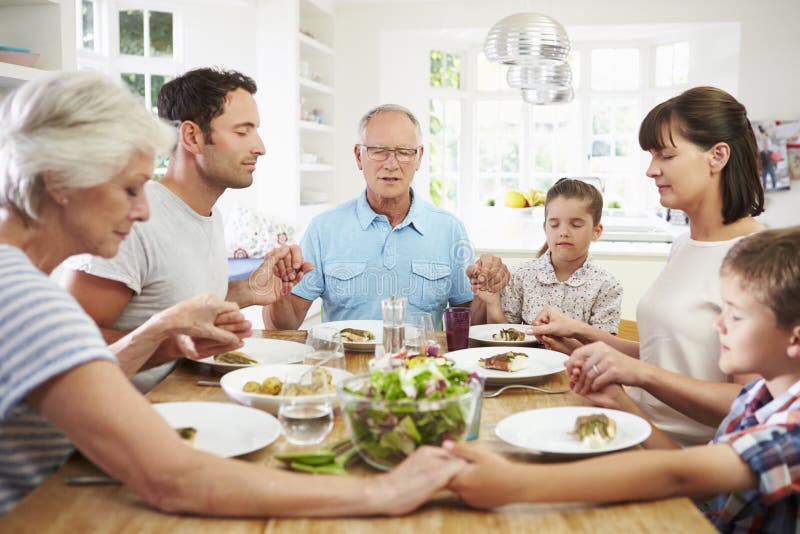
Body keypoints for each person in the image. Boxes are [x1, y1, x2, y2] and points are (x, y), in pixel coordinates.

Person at [0, 70, 465, 516]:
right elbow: (174, 479)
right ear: (59, 183)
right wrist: (381, 492)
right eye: (129, 188)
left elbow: (77, 369)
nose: (144, 210)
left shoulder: (19, 287)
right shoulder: (23, 299)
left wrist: (169, 333)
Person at [448, 227, 800, 532]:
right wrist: (622, 402)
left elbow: (680, 476)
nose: (718, 325)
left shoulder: (792, 431)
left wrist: (516, 484)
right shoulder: (757, 397)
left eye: (735, 316)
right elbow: (697, 482)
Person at [529, 86, 765, 446]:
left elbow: (752, 405)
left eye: (666, 155)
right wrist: (583, 335)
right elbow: (672, 358)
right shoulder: (684, 245)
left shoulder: (758, 259)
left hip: (690, 467)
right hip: (632, 432)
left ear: (717, 156)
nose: (651, 170)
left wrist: (637, 375)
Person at [60, 68, 313, 389]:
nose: (260, 147)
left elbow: (179, 304)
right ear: (192, 136)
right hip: (130, 416)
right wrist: (170, 342)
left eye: (256, 131)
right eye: (242, 132)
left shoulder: (210, 214)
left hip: (187, 400)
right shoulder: (133, 219)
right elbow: (69, 343)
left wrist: (249, 289)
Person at [265, 104, 508, 330]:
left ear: (419, 157)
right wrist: (277, 289)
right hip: (345, 372)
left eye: (403, 152)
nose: (391, 164)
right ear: (359, 157)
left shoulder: (449, 229)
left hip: (422, 369)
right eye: (378, 151)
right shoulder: (324, 229)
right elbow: (284, 328)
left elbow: (468, 327)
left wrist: (485, 295)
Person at [475, 178, 622, 332]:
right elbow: (503, 338)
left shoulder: (606, 286)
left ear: (596, 231)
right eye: (554, 225)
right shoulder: (521, 276)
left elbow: (604, 349)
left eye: (576, 225)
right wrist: (493, 304)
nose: (563, 232)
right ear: (545, 228)